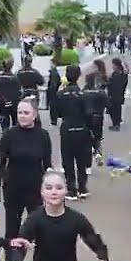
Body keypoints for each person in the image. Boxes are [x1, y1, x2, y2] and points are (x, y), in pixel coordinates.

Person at [0, 98, 52, 240]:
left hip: (35, 189)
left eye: (26, 113)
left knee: (38, 229)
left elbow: (47, 165)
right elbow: (1, 163)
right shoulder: (9, 135)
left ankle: (40, 260)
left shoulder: (43, 136)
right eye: (20, 112)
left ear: (35, 114)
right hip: (13, 189)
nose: (22, 116)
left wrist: (50, 189)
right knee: (12, 230)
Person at [54, 65, 94, 199]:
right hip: (82, 129)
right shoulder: (83, 95)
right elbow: (89, 114)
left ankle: (71, 189)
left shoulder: (60, 94)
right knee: (82, 159)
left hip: (67, 129)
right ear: (79, 76)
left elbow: (57, 114)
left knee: (68, 160)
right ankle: (82, 187)